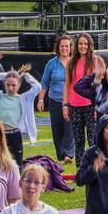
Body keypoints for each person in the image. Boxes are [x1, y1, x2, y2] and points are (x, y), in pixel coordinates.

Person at [0, 64, 39, 162]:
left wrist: (25, 75)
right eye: (8, 85)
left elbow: (38, 87)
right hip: (0, 134)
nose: (11, 88)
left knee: (17, 165)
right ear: (4, 84)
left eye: (14, 85)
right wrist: (5, 75)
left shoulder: (24, 98)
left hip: (15, 135)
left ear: (19, 85)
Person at [63, 33, 105, 163]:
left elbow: (101, 85)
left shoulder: (97, 60)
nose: (83, 46)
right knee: (79, 139)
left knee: (93, 139)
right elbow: (68, 84)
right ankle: (81, 169)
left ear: (90, 45)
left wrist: (97, 106)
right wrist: (65, 105)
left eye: (86, 44)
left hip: (91, 105)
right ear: (76, 45)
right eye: (80, 43)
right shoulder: (71, 62)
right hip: (74, 105)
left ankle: (95, 167)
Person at [37, 35, 75, 165]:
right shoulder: (52, 63)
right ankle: (61, 156)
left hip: (71, 102)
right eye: (62, 46)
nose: (64, 48)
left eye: (67, 46)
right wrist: (41, 99)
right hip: (54, 100)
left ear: (71, 48)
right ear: (58, 48)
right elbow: (45, 82)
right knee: (57, 129)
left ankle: (69, 154)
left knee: (69, 127)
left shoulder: (75, 62)